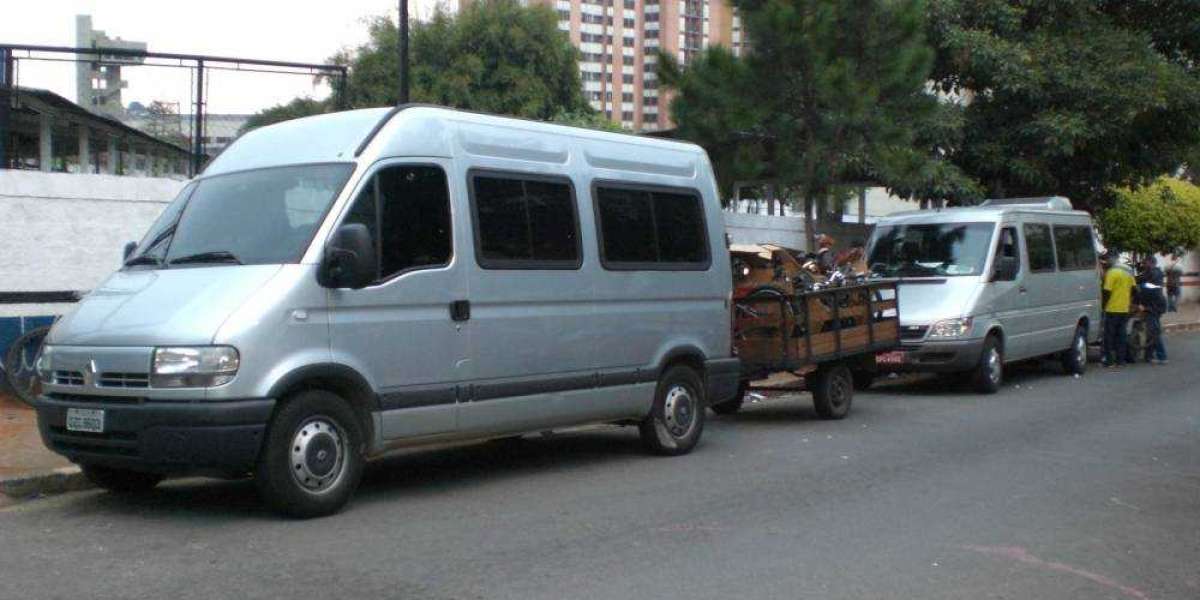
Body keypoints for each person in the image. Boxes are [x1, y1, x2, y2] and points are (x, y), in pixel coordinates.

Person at [1100, 252, 1137, 367]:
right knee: (1121, 336)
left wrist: (1103, 306)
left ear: (1112, 259)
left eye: (1107, 260)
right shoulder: (1128, 272)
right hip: (1124, 309)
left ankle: (1109, 361)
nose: (1106, 262)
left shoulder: (1112, 273)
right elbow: (1135, 289)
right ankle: (1121, 361)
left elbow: (1106, 291)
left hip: (1112, 308)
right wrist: (1127, 299)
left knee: (1109, 336)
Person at [1137, 257, 1168, 364]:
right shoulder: (1155, 273)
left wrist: (1142, 304)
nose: (1144, 265)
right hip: (1155, 305)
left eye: (1145, 263)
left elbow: (1147, 289)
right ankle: (1148, 356)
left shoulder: (1154, 273)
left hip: (1153, 306)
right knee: (1151, 331)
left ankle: (1162, 356)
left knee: (1154, 331)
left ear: (1151, 263)